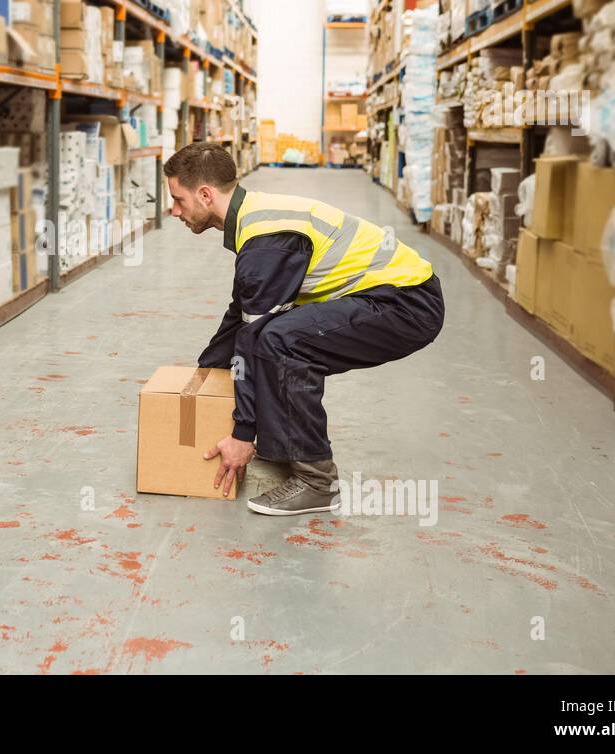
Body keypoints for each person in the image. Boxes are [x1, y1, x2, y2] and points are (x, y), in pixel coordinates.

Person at [163, 142, 446, 515]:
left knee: (281, 342)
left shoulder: (266, 239)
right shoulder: (254, 217)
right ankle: (286, 449)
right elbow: (241, 313)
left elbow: (252, 337)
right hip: (389, 295)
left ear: (205, 194)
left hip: (406, 303)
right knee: (271, 335)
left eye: (178, 200)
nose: (173, 210)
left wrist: (242, 434)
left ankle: (317, 482)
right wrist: (205, 377)